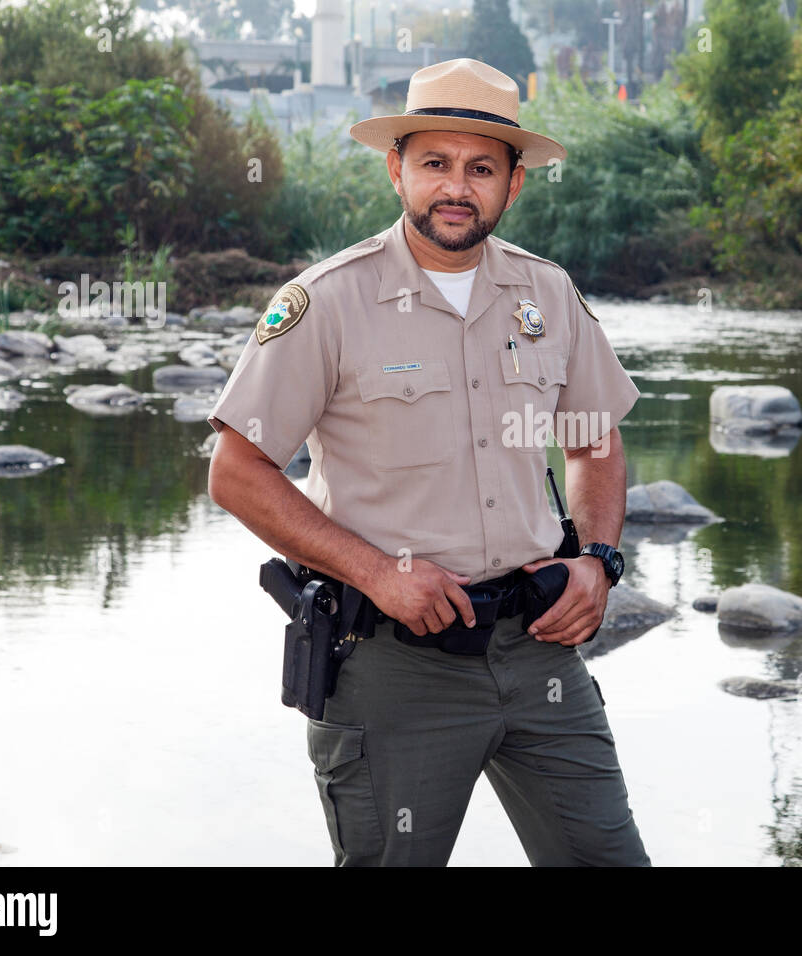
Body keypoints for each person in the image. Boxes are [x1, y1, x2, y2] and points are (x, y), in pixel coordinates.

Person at [206, 58, 649, 866]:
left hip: (539, 649)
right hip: (389, 662)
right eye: (434, 164)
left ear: (514, 184)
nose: (456, 186)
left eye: (481, 167)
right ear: (396, 170)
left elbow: (594, 438)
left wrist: (598, 561)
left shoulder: (548, 296)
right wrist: (377, 574)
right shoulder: (327, 301)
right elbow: (236, 471)